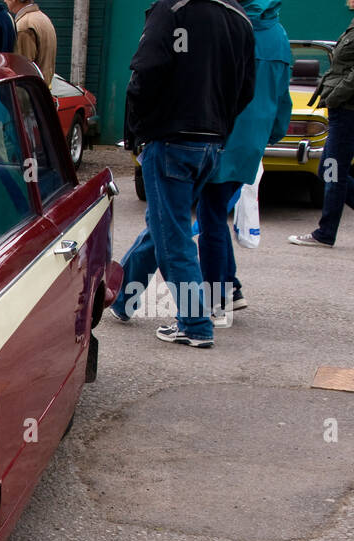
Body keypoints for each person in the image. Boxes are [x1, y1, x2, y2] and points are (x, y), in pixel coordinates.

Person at [112, 0, 254, 350]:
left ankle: (194, 324)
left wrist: (136, 132)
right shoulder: (239, 17)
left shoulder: (172, 9)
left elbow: (143, 74)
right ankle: (120, 297)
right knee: (164, 224)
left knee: (172, 235)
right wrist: (219, 126)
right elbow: (246, 88)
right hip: (211, 143)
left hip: (170, 138)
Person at [197, 0, 293, 322]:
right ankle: (231, 288)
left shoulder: (230, 25)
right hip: (252, 140)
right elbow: (282, 96)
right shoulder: (278, 33)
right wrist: (270, 134)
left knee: (211, 216)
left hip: (223, 133)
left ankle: (216, 298)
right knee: (216, 210)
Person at [288, 0, 354, 247]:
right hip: (347, 107)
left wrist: (336, 94)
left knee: (334, 171)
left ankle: (325, 233)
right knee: (327, 170)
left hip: (352, 108)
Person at [6, 0, 58, 84]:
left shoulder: (24, 26)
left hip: (30, 92)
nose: (4, 1)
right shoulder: (43, 17)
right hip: (42, 89)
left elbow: (24, 70)